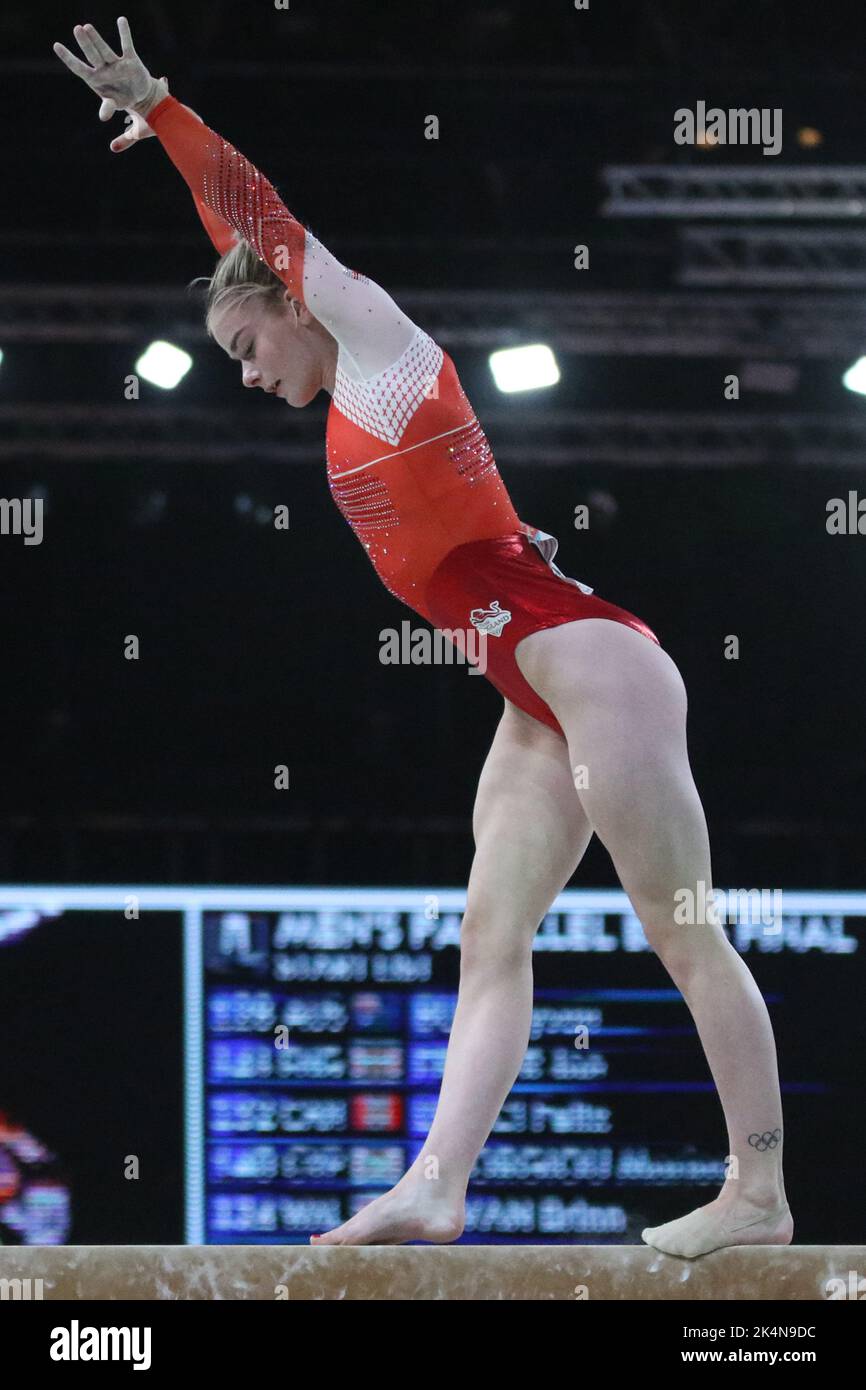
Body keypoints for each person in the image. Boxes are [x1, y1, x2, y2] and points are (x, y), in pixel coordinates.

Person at [54, 18, 793, 1256]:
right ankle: (435, 1185)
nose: (244, 374)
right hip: (532, 691)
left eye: (245, 345)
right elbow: (244, 246)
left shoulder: (382, 357)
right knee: (486, 940)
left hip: (593, 663)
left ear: (295, 304)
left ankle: (757, 1188)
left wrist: (169, 113)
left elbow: (262, 220)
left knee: (677, 921)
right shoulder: (345, 403)